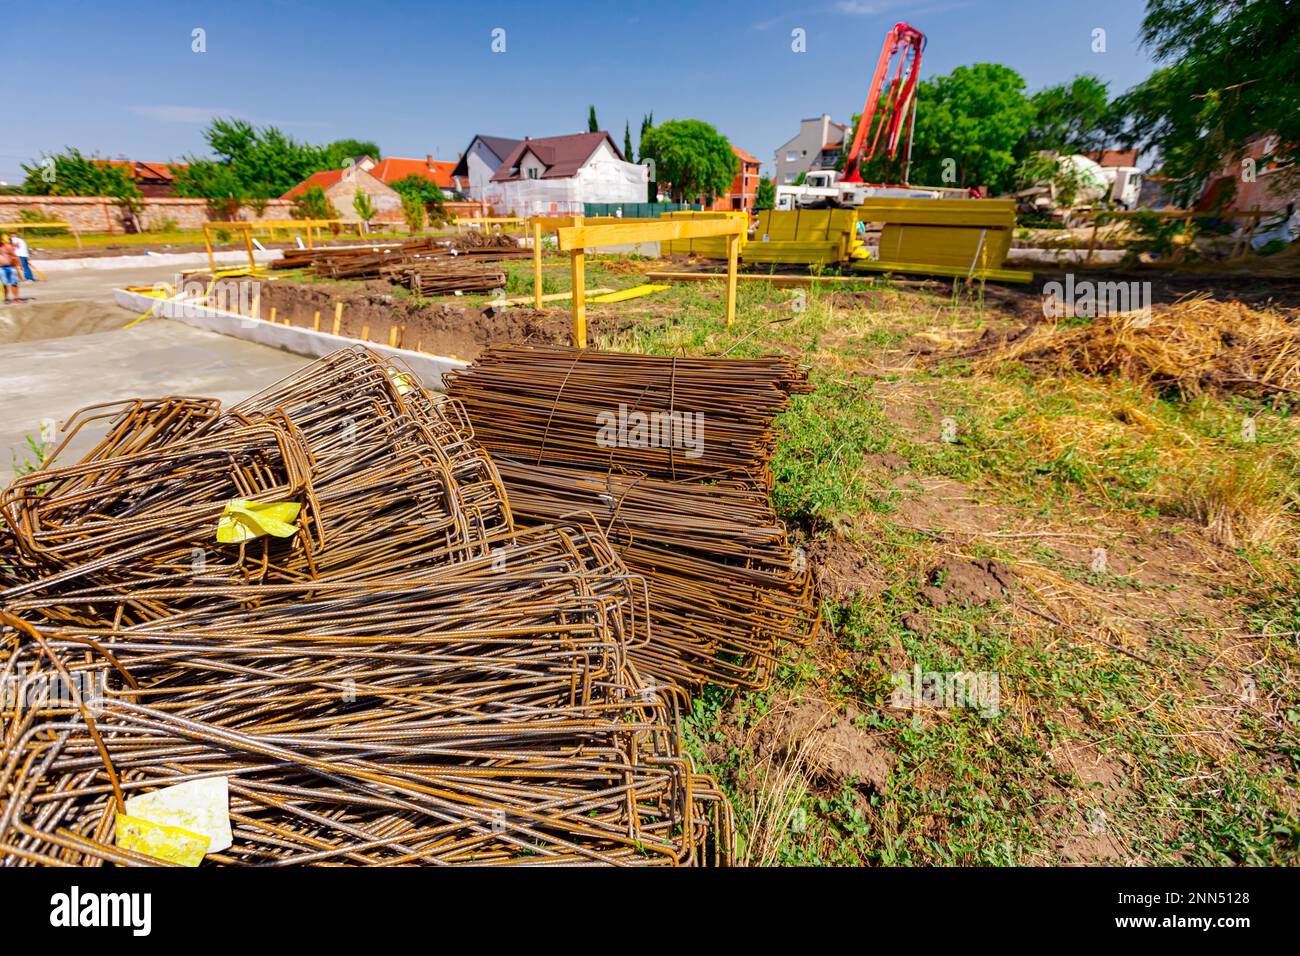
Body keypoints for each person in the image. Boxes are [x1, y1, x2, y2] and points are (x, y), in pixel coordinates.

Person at [0, 234, 21, 303]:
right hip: (1, 268)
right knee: (4, 284)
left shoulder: (8, 247)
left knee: (14, 283)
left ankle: (16, 298)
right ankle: (6, 298)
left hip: (10, 267)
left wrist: (18, 265)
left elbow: (15, 256)